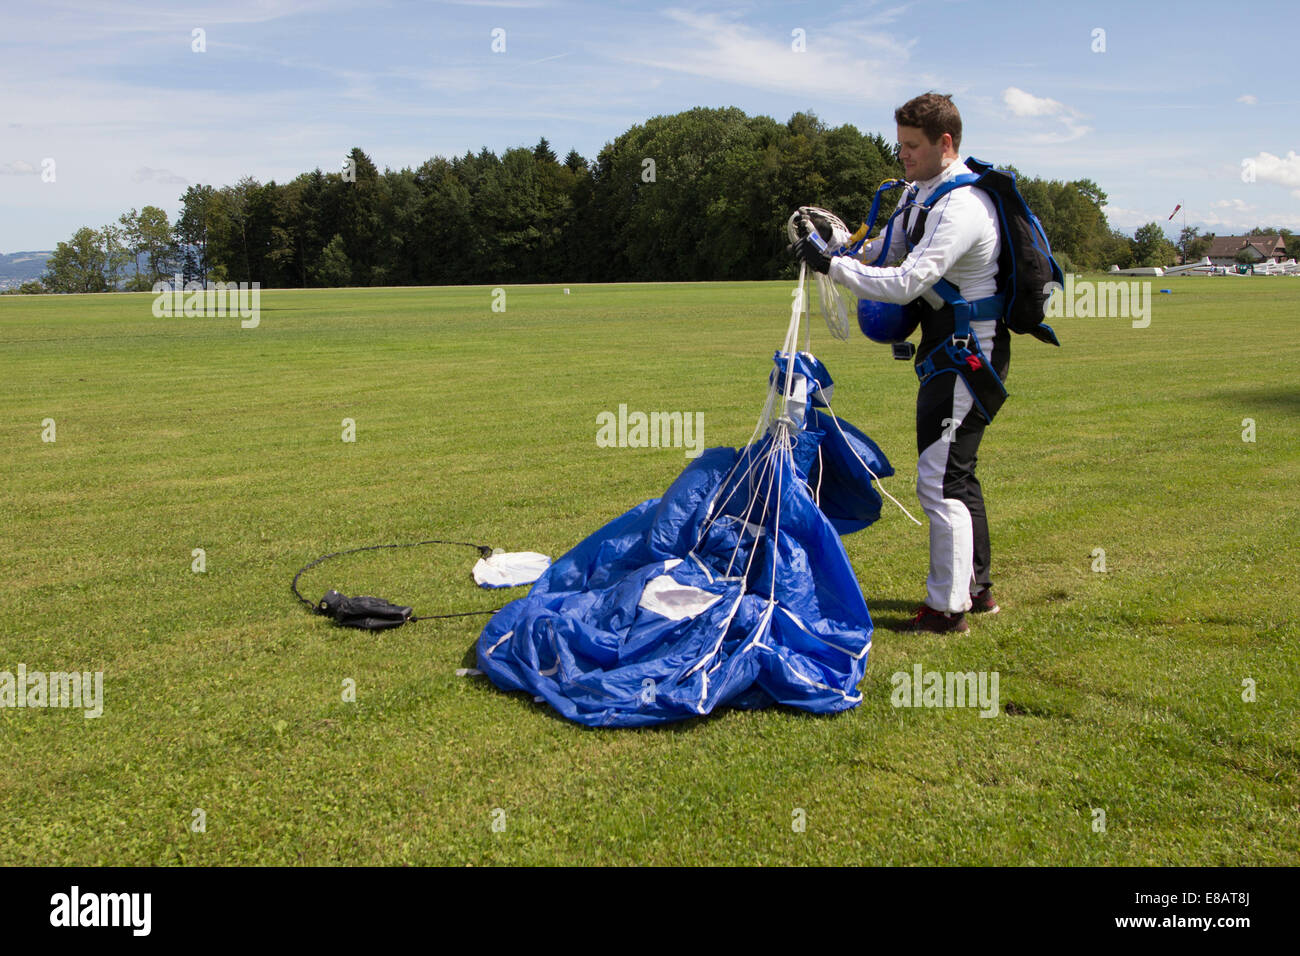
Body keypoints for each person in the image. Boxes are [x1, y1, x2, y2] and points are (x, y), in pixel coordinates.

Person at [793, 92, 1006, 634]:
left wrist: (833, 271)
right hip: (946, 350)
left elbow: (910, 280)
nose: (902, 155)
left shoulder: (963, 205)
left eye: (913, 146)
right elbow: (884, 250)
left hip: (968, 353)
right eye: (900, 144)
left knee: (939, 481)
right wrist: (838, 246)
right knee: (956, 473)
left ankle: (946, 609)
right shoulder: (920, 195)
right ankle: (976, 592)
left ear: (946, 143)